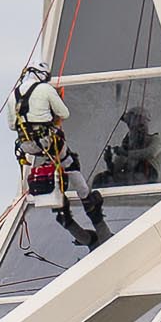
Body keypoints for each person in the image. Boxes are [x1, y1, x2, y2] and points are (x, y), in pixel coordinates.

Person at [11, 63, 107, 243]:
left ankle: (64, 214)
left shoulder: (13, 95)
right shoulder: (45, 89)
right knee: (70, 165)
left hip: (27, 146)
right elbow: (64, 113)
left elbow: (11, 125)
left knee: (49, 171)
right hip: (48, 141)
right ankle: (89, 203)